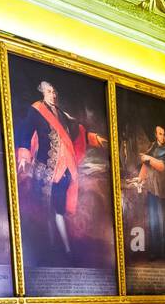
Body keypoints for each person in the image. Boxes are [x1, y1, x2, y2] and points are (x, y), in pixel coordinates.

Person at [15, 80, 105, 256]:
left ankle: (66, 249)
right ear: (42, 92)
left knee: (59, 210)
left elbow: (77, 131)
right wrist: (24, 155)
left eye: (54, 91)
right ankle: (49, 247)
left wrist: (94, 138)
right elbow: (25, 132)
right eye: (49, 91)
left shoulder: (63, 114)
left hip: (64, 170)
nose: (53, 95)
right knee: (45, 210)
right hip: (44, 170)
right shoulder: (36, 110)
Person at [133, 124, 165, 260]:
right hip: (152, 190)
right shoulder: (152, 147)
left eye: (164, 133)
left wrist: (148, 158)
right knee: (153, 220)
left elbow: (162, 166)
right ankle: (156, 252)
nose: (162, 136)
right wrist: (140, 179)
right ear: (155, 135)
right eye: (160, 133)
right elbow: (144, 164)